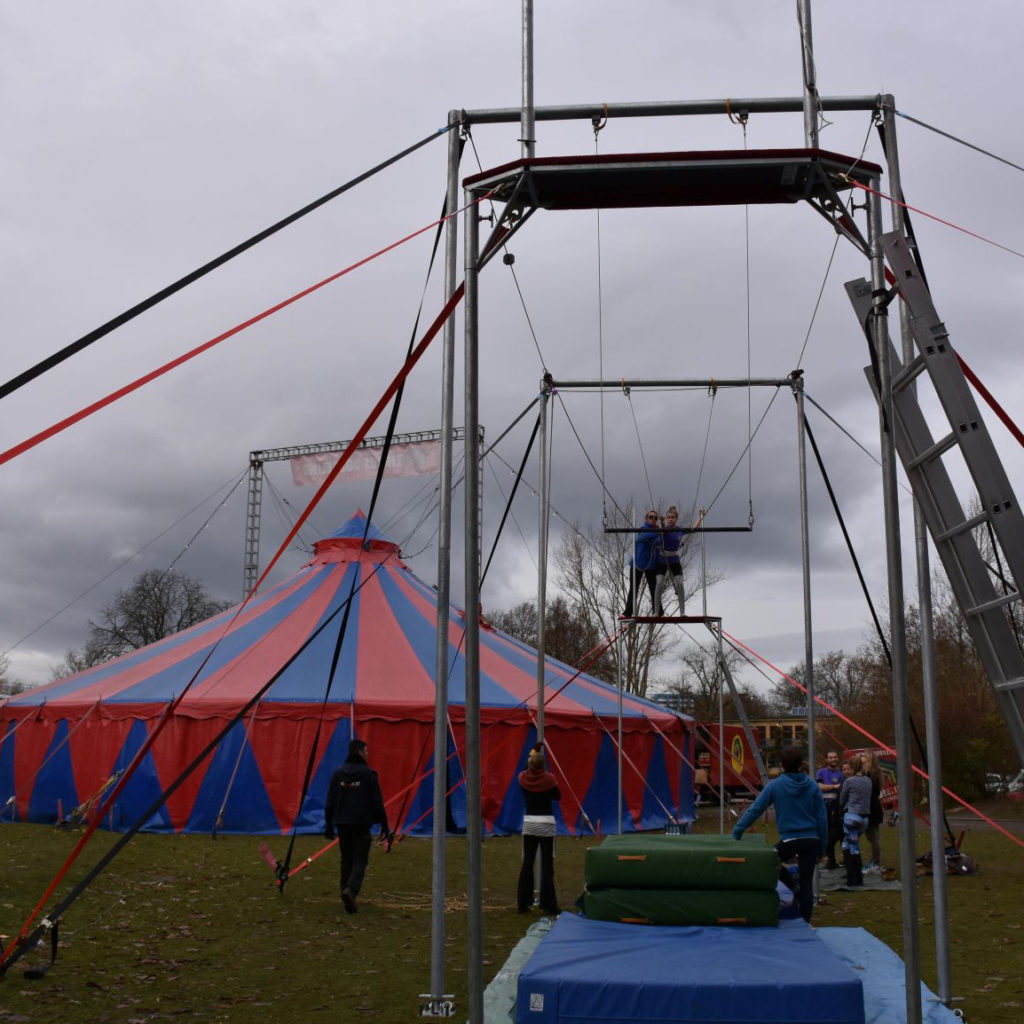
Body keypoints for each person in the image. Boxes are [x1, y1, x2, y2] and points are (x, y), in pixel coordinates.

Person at [732, 745, 828, 923]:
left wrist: (738, 830)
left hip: (790, 840)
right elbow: (822, 819)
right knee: (807, 885)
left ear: (782, 765)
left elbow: (756, 809)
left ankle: (791, 883)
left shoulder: (775, 786)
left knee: (768, 862)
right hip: (811, 841)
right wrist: (822, 847)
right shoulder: (813, 786)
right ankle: (805, 923)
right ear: (801, 764)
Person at [324, 738, 391, 914]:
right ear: (360, 752)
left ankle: (345, 891)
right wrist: (384, 825)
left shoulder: (337, 774)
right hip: (361, 823)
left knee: (346, 859)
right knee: (360, 860)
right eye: (367, 752)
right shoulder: (368, 775)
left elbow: (330, 802)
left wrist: (328, 825)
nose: (368, 755)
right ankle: (351, 891)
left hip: (343, 823)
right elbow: (377, 802)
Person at [516, 743, 561, 915]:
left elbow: (524, 768)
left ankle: (522, 903)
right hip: (546, 823)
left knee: (527, 863)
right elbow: (558, 796)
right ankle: (549, 905)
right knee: (547, 865)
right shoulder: (549, 779)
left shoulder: (523, 778)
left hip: (529, 823)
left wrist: (533, 751)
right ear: (543, 765)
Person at [839, 754, 872, 887]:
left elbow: (842, 799)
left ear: (853, 768)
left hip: (852, 817)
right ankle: (858, 878)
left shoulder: (849, 782)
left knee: (849, 847)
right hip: (865, 818)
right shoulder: (868, 781)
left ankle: (853, 878)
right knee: (854, 845)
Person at [623, 509, 663, 617]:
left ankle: (658, 610)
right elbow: (642, 537)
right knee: (633, 588)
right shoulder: (642, 530)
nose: (653, 519)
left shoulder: (658, 533)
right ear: (646, 519)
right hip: (637, 563)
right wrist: (657, 532)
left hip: (651, 564)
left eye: (655, 518)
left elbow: (661, 542)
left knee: (654, 588)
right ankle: (628, 611)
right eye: (651, 517)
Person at [815, 750, 845, 869]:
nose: (833, 759)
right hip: (823, 806)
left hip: (836, 807)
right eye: (830, 757)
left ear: (838, 758)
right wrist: (834, 786)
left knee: (837, 833)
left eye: (835, 757)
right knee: (825, 832)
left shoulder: (841, 773)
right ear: (827, 759)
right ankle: (831, 860)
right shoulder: (821, 772)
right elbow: (819, 786)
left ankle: (844, 859)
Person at [656, 505, 686, 614]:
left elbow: (694, 529)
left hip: (674, 560)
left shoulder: (679, 530)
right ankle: (656, 611)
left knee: (680, 583)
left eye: (672, 517)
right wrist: (662, 522)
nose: (670, 519)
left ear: (676, 519)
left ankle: (682, 612)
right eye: (668, 517)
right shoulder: (665, 529)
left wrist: (700, 517)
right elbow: (663, 528)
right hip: (662, 560)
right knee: (659, 583)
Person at [863, 752, 884, 873]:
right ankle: (875, 859)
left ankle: (876, 861)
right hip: (872, 806)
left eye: (865, 757)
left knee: (873, 836)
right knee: (872, 836)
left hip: (871, 807)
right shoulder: (874, 773)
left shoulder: (871, 774)